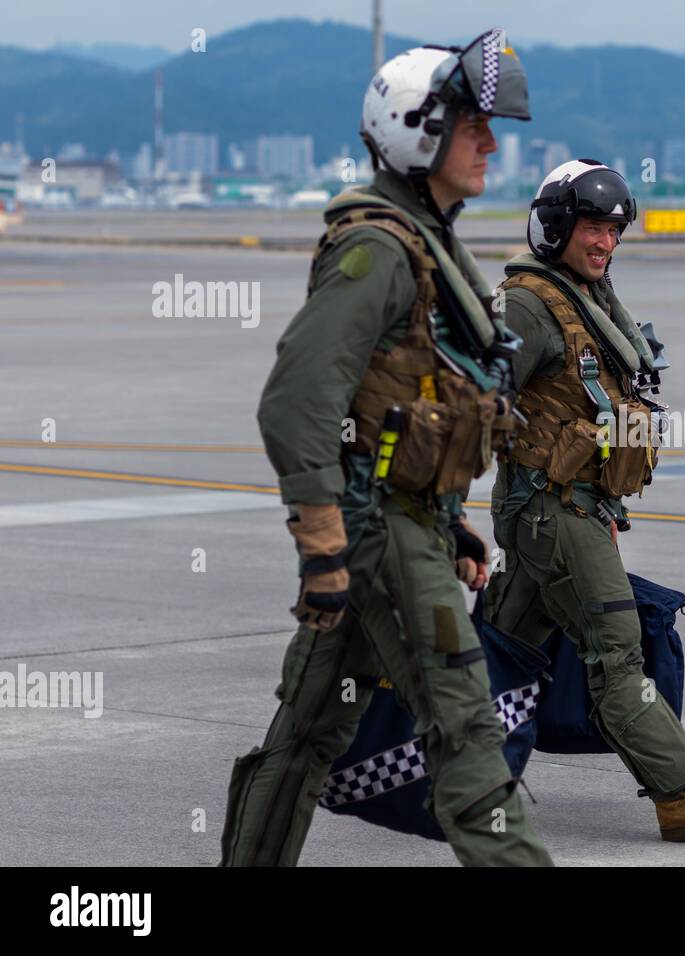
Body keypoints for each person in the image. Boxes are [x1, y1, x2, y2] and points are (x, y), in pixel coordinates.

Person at [219, 31, 551, 866]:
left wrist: (451, 520)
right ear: (418, 130)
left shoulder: (423, 238)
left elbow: (409, 401)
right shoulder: (377, 250)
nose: (491, 142)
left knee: (308, 730)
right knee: (468, 726)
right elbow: (296, 401)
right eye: (473, 125)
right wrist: (325, 542)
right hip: (381, 536)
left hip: (402, 525)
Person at [483, 159, 685, 842]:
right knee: (616, 647)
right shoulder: (527, 304)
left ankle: (446, 770)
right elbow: (473, 400)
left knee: (503, 650)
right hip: (551, 510)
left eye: (613, 230)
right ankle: (679, 792)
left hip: (578, 509)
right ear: (554, 228)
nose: (604, 242)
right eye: (591, 228)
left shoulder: (592, 300)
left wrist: (606, 510)